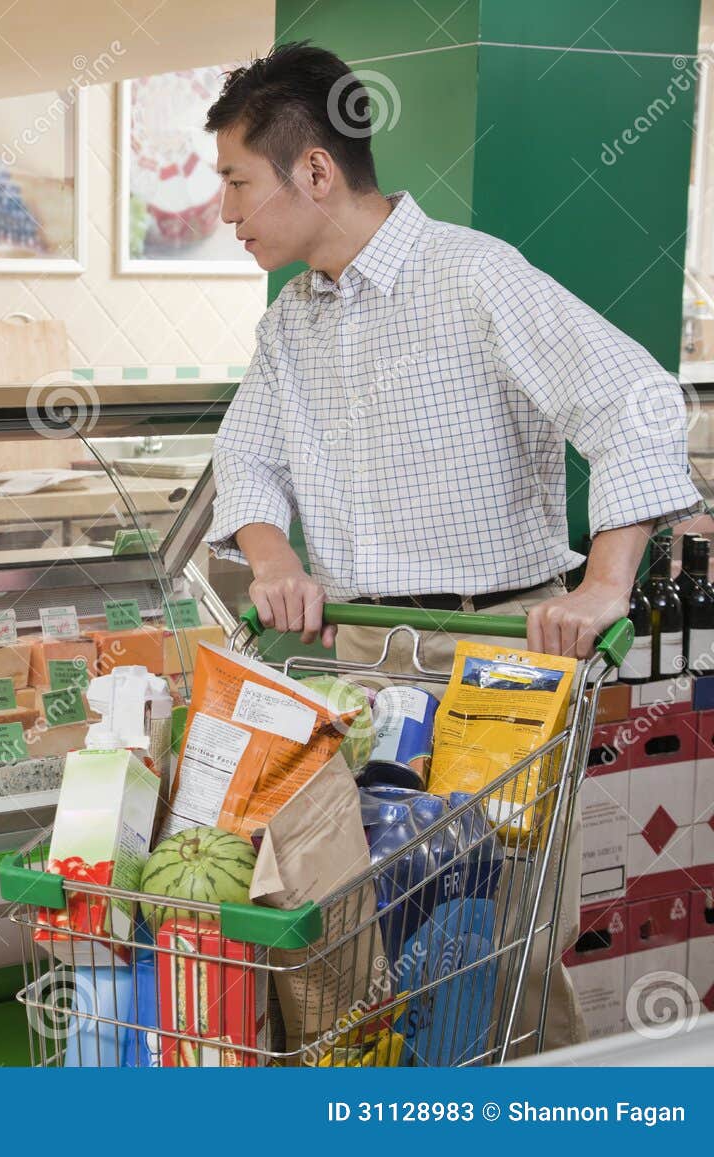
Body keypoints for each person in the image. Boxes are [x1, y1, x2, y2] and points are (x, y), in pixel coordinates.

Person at [201, 42, 702, 1052]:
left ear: (312, 171)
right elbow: (245, 466)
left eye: (235, 181)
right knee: (349, 937)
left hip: (498, 663)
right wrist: (273, 561)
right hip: (350, 665)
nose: (225, 210)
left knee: (494, 938)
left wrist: (604, 583)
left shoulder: (473, 276)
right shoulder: (291, 323)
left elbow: (638, 403)